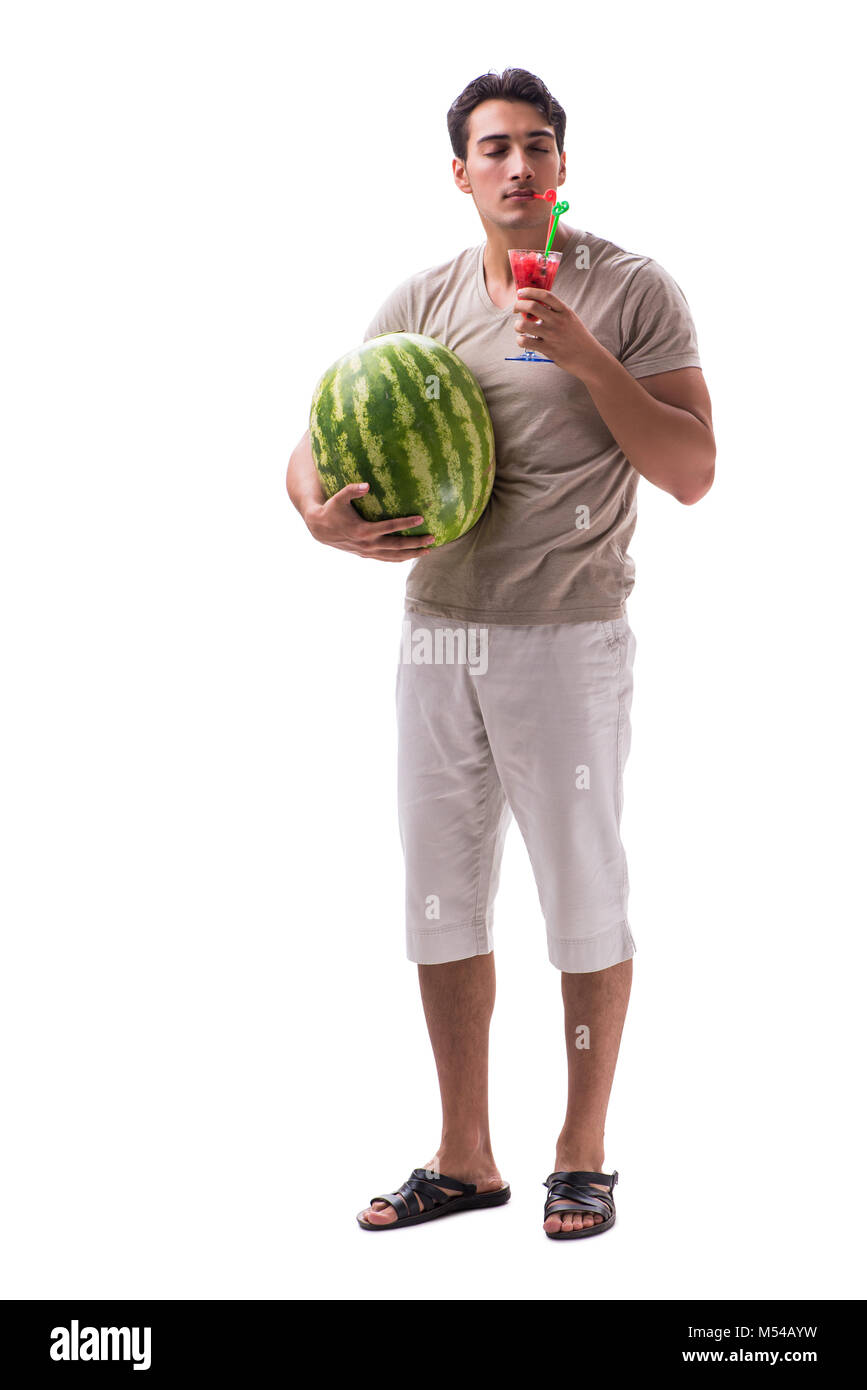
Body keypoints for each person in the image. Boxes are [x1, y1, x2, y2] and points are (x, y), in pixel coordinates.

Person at [286, 67, 715, 1240]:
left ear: (563, 167)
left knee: (582, 896)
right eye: (493, 148)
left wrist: (583, 356)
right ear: (462, 172)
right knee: (440, 897)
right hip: (436, 638)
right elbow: (314, 444)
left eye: (537, 146)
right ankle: (465, 1157)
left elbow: (691, 469)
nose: (517, 166)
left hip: (567, 639)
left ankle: (583, 1151)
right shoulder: (423, 300)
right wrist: (317, 514)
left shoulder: (630, 292)